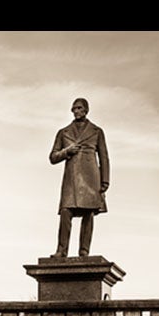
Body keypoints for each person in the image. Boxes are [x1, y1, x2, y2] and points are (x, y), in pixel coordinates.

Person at [49, 97, 109, 257]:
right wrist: (67, 150)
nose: (76, 111)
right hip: (71, 178)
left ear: (86, 110)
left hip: (91, 177)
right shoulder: (63, 132)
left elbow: (104, 157)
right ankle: (61, 250)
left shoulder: (97, 131)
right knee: (66, 211)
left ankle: (84, 250)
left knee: (88, 213)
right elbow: (53, 157)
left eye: (79, 108)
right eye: (74, 108)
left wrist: (105, 180)